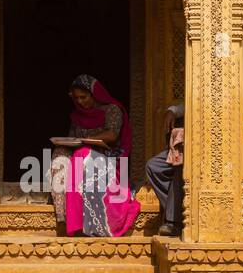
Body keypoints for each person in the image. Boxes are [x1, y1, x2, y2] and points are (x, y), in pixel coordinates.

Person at [51, 74, 141, 237]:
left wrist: (86, 140)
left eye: (84, 97)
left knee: (82, 155)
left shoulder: (112, 110)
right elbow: (72, 137)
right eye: (76, 98)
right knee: (60, 156)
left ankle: (83, 222)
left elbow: (112, 135)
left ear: (95, 94)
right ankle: (63, 215)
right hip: (81, 152)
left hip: (108, 157)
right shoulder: (77, 116)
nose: (80, 101)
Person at [146, 102, 184, 237]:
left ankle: (174, 221)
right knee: (153, 166)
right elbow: (182, 107)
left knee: (179, 166)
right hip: (182, 147)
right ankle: (177, 209)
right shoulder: (198, 96)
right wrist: (171, 111)